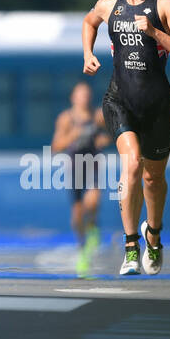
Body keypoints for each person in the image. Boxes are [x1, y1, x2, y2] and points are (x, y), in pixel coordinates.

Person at [82, 0, 170, 276]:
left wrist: (156, 33)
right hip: (120, 101)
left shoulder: (164, 4)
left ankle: (154, 234)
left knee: (153, 178)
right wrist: (88, 53)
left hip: (157, 106)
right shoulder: (109, 6)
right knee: (131, 164)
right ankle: (131, 246)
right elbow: (89, 22)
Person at [50, 81, 108, 275]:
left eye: (87, 94)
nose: (84, 98)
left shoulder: (97, 116)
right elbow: (56, 146)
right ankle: (82, 248)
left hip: (92, 165)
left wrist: (104, 140)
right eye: (80, 94)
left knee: (93, 202)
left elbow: (111, 134)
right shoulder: (66, 119)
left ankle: (93, 227)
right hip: (74, 168)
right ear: (73, 97)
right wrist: (72, 136)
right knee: (77, 214)